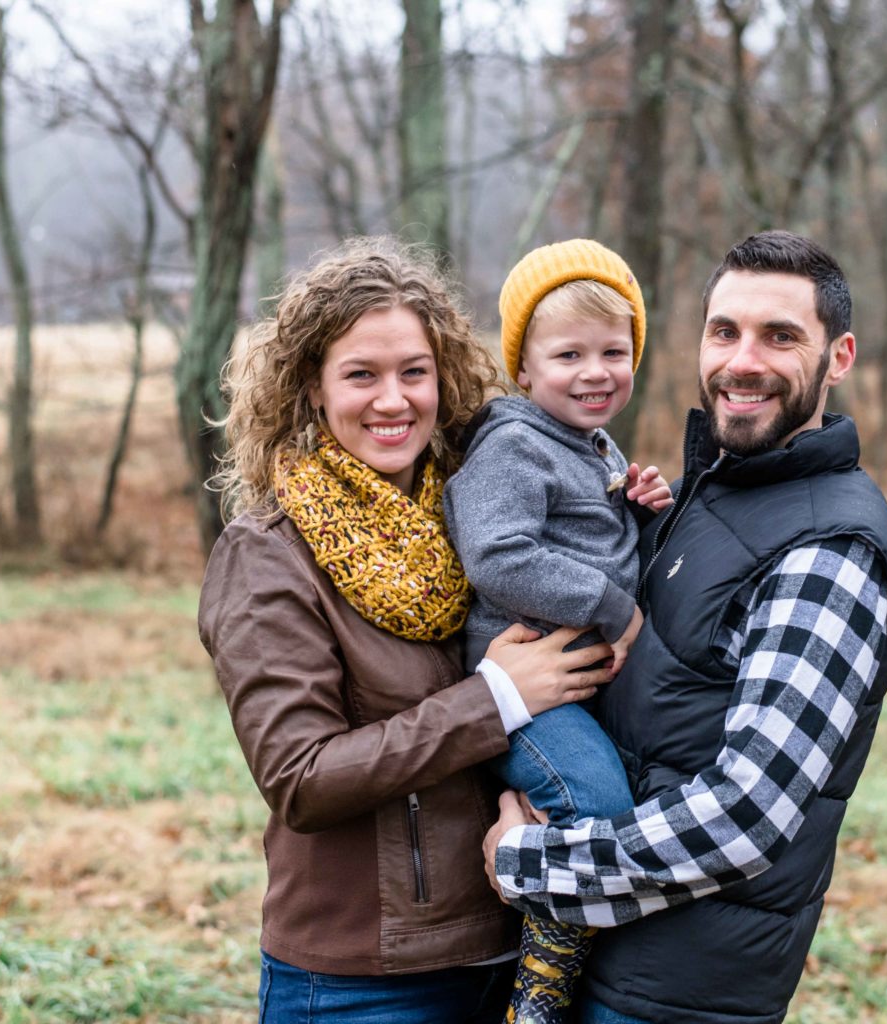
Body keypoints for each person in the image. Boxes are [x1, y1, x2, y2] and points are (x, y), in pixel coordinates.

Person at [484, 231, 887, 1024]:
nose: (742, 361)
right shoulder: (712, 491)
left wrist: (531, 866)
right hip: (609, 964)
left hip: (672, 996)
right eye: (725, 332)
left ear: (840, 357)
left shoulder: (829, 550)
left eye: (781, 336)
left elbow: (746, 814)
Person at [197, 236, 616, 1024]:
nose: (393, 400)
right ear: (313, 392)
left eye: (413, 373)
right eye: (361, 374)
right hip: (366, 978)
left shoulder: (481, 511)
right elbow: (302, 777)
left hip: (512, 942)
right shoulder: (268, 557)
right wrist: (492, 699)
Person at [443, 239, 673, 1023]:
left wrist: (643, 511)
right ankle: (540, 988)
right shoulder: (512, 444)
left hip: (578, 687)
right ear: (524, 371)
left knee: (615, 807)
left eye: (615, 351)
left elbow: (592, 538)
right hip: (530, 689)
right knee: (596, 802)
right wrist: (615, 609)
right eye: (568, 354)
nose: (595, 371)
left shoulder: (591, 445)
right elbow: (498, 555)